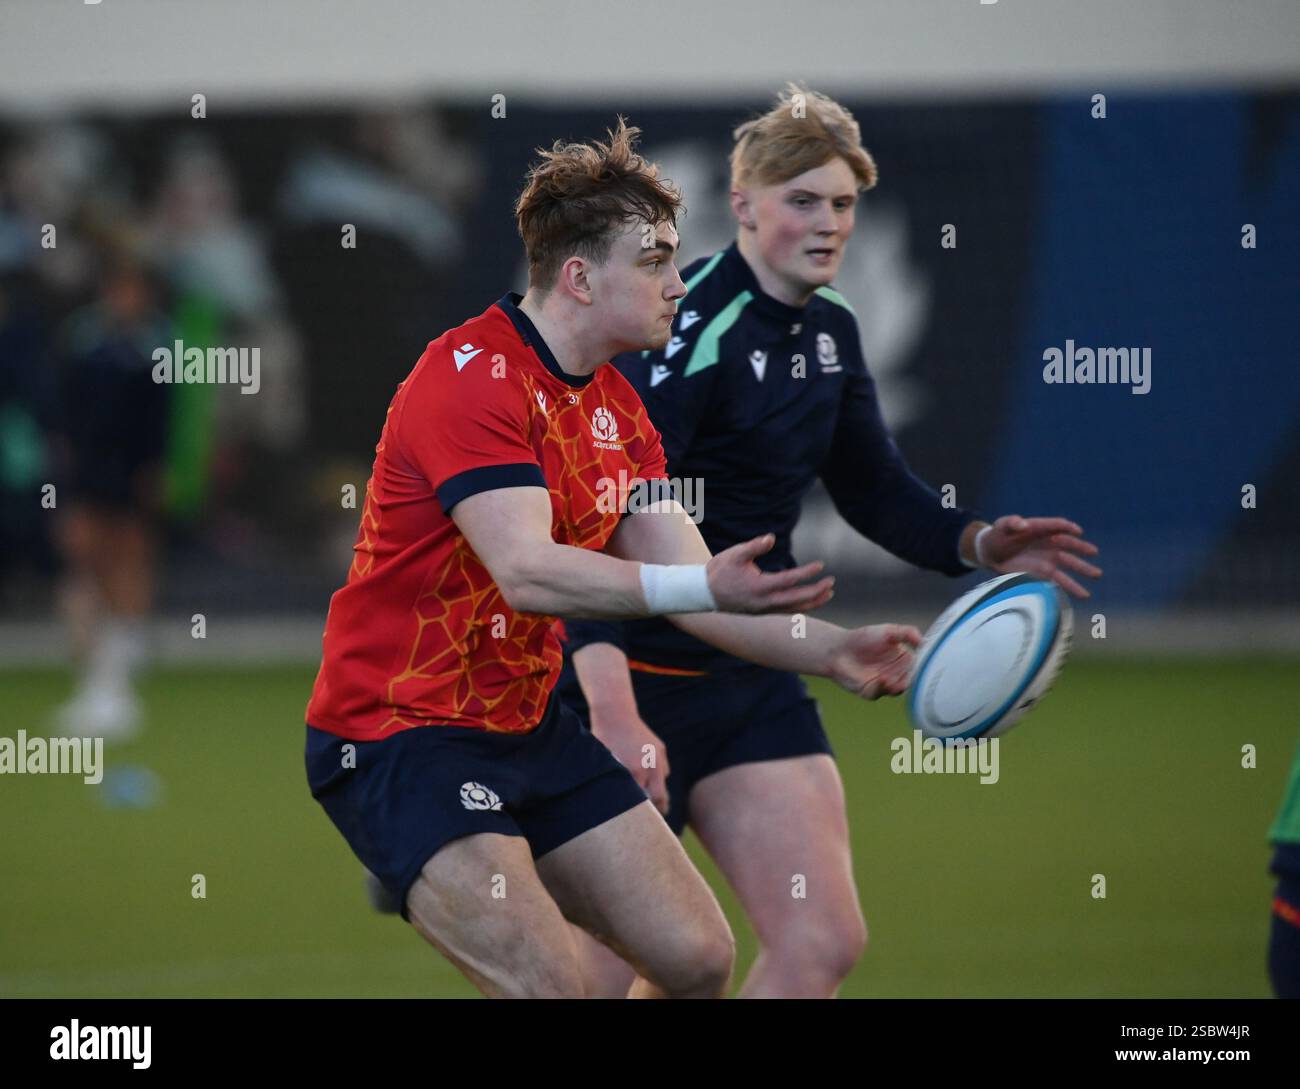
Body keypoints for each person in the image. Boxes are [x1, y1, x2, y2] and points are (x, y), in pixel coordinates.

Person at [304, 120, 922, 999]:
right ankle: (421, 848)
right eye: (657, 261)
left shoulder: (619, 413)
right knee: (554, 986)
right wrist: (695, 583)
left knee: (697, 956)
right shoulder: (470, 373)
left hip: (528, 730)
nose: (680, 283)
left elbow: (700, 595)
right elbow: (528, 569)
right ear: (581, 277)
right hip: (402, 733)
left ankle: (438, 861)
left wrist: (832, 650)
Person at [557, 87, 1103, 998]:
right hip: (626, 681)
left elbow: (874, 490)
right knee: (605, 980)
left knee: (822, 941)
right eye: (802, 200)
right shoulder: (686, 330)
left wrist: (977, 541)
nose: (828, 222)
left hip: (751, 680)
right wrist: (610, 707)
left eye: (844, 202)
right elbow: (598, 521)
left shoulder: (833, 329)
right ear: (743, 206)